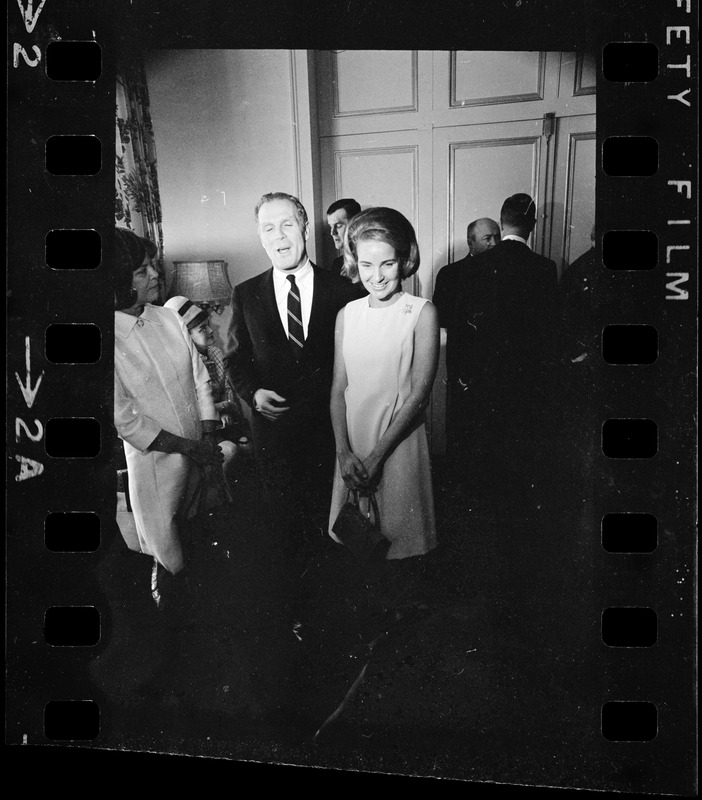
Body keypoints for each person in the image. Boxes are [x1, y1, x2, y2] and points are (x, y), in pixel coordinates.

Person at [225, 192, 363, 562]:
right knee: (286, 539)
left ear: (303, 227)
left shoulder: (345, 291)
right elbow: (234, 361)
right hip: (276, 440)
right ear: (260, 236)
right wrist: (253, 394)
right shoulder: (246, 294)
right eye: (269, 228)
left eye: (287, 224)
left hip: (332, 437)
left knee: (336, 535)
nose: (280, 236)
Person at [113, 228, 223, 608]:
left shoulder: (170, 318)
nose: (156, 275)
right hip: (157, 466)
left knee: (204, 541)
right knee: (170, 556)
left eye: (152, 266)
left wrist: (207, 437)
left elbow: (200, 380)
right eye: (142, 271)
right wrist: (189, 448)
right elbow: (125, 420)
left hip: (198, 452)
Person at [328, 207, 439, 561]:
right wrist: (343, 451)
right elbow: (337, 389)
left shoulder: (422, 312)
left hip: (398, 441)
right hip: (353, 445)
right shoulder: (347, 314)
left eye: (387, 264)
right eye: (365, 265)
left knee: (400, 543)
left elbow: (420, 395)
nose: (376, 276)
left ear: (405, 260)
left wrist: (377, 456)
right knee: (357, 546)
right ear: (353, 262)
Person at [452, 193, 559, 499]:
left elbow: (463, 326)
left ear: (502, 222)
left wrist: (463, 375)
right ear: (533, 225)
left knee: (485, 456)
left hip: (483, 379)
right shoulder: (545, 268)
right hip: (527, 381)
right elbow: (549, 332)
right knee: (521, 458)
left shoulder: (477, 266)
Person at [433, 217, 500, 467]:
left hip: (498, 370)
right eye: (487, 238)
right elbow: (441, 317)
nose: (495, 243)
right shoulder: (450, 274)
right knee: (462, 434)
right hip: (465, 368)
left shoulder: (506, 274)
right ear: (471, 243)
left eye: (497, 237)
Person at [164, 295, 247, 489]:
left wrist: (226, 409)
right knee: (230, 451)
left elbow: (227, 388)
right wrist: (223, 408)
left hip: (224, 426)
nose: (211, 330)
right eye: (202, 328)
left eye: (208, 324)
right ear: (184, 335)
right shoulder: (177, 365)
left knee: (248, 447)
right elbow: (192, 407)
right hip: (196, 434)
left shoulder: (215, 353)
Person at [326, 198, 361, 278]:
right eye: (330, 227)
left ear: (355, 224)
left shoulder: (368, 261)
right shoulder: (337, 264)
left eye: (338, 226)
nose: (332, 233)